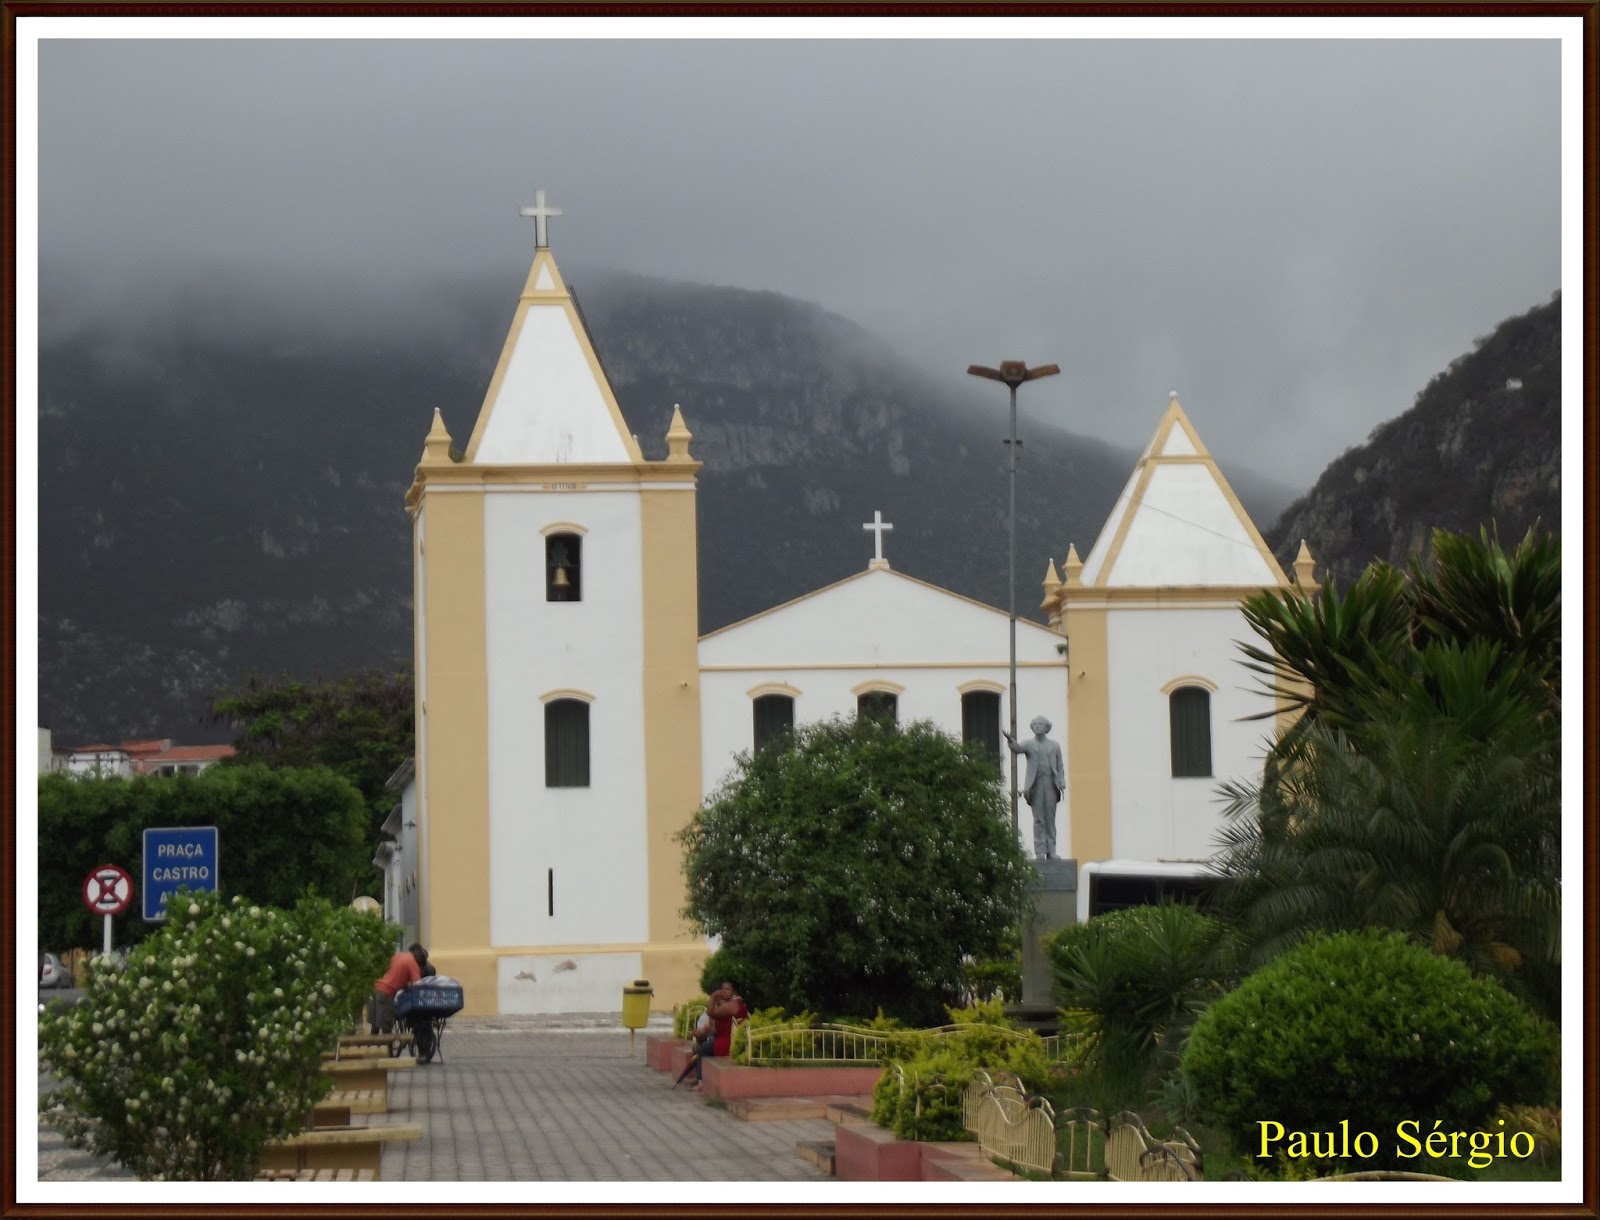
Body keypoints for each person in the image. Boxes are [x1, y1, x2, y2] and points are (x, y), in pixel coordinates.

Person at [1003, 715, 1066, 860]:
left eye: (1040, 724)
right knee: (1038, 819)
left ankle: (1051, 850)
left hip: (1051, 784)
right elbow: (1017, 748)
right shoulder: (1029, 745)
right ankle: (1040, 851)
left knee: (1050, 818)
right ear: (1032, 727)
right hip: (1035, 785)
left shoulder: (1054, 746)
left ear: (1046, 728)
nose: (1037, 726)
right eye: (1035, 724)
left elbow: (1060, 765)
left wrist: (1061, 781)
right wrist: (1010, 740)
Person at [684, 980, 747, 1090]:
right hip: (720, 1036)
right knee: (700, 1044)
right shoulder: (728, 1002)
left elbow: (711, 1013)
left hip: (727, 1040)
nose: (723, 991)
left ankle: (701, 1082)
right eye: (722, 989)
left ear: (734, 991)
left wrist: (713, 997)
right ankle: (698, 1078)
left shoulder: (733, 1004)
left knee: (703, 1049)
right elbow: (712, 1020)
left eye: (727, 989)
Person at [370, 942, 426, 1037]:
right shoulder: (413, 963)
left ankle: (369, 1050)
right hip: (386, 993)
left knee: (375, 1026)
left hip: (375, 989)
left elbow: (393, 974)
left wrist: (403, 985)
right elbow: (417, 986)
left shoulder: (399, 955)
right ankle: (388, 1051)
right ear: (419, 959)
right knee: (386, 1028)